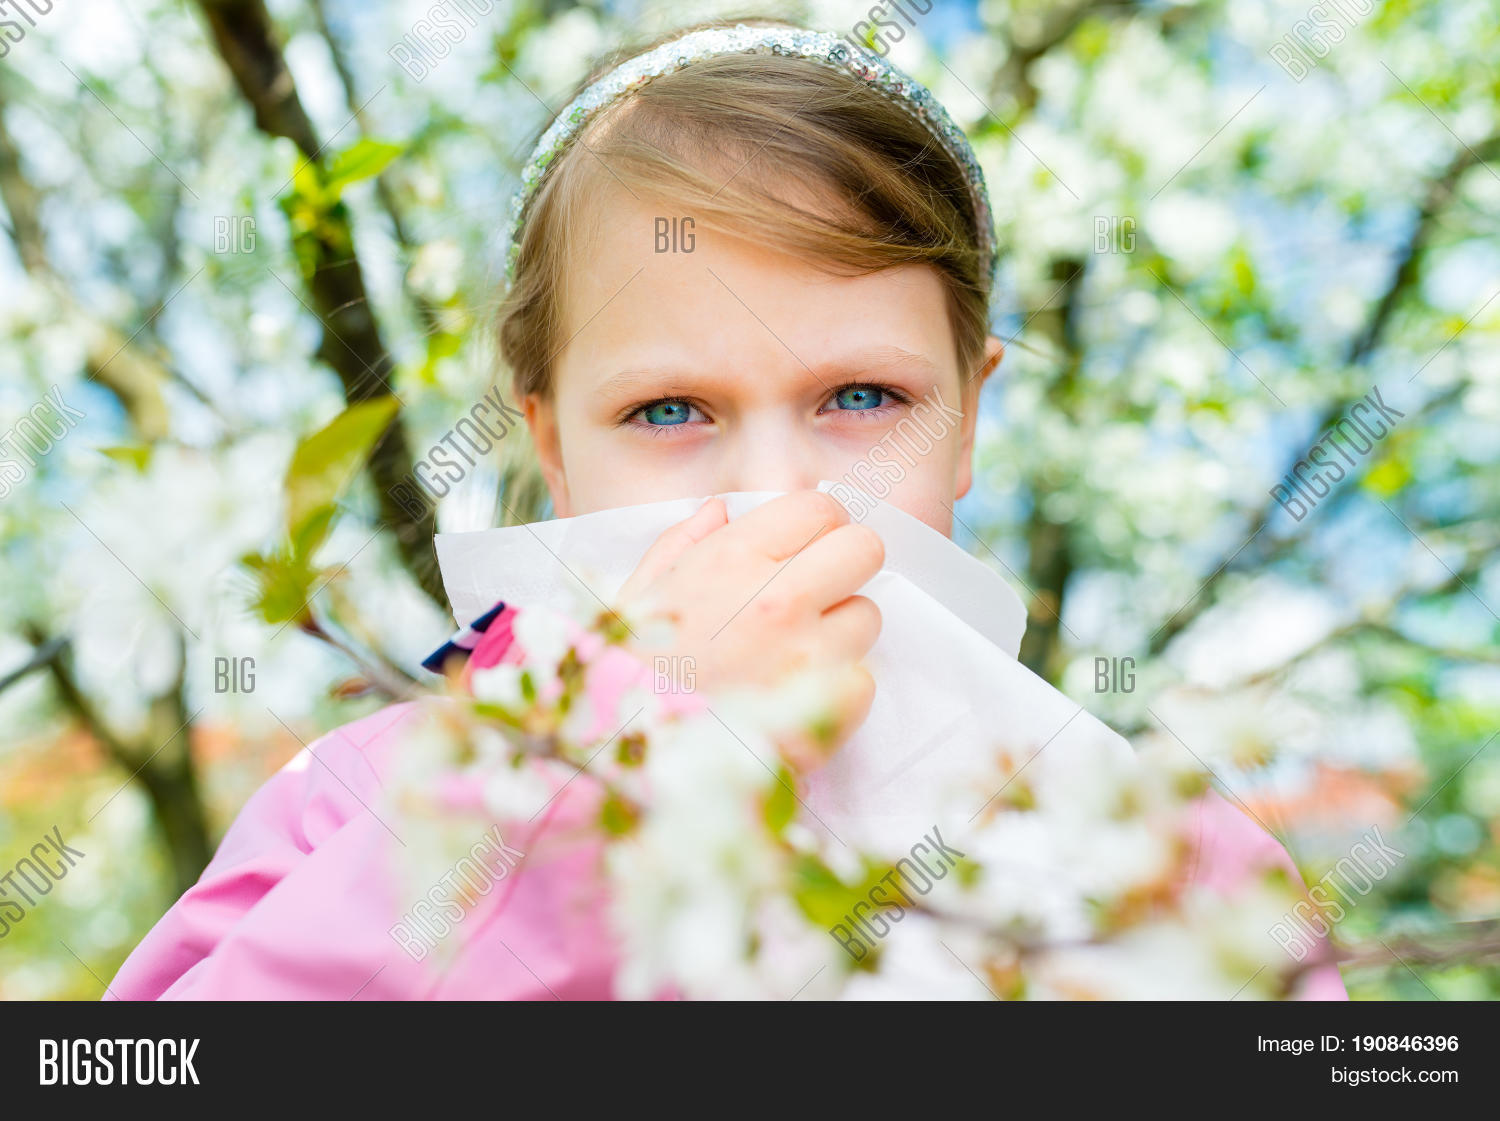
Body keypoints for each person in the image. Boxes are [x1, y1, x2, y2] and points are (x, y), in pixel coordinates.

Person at [107, 18, 1346, 1000]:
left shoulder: (1165, 853)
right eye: (668, 410)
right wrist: (614, 740)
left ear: (967, 420)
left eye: (862, 397)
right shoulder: (375, 794)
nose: (779, 490)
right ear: (553, 445)